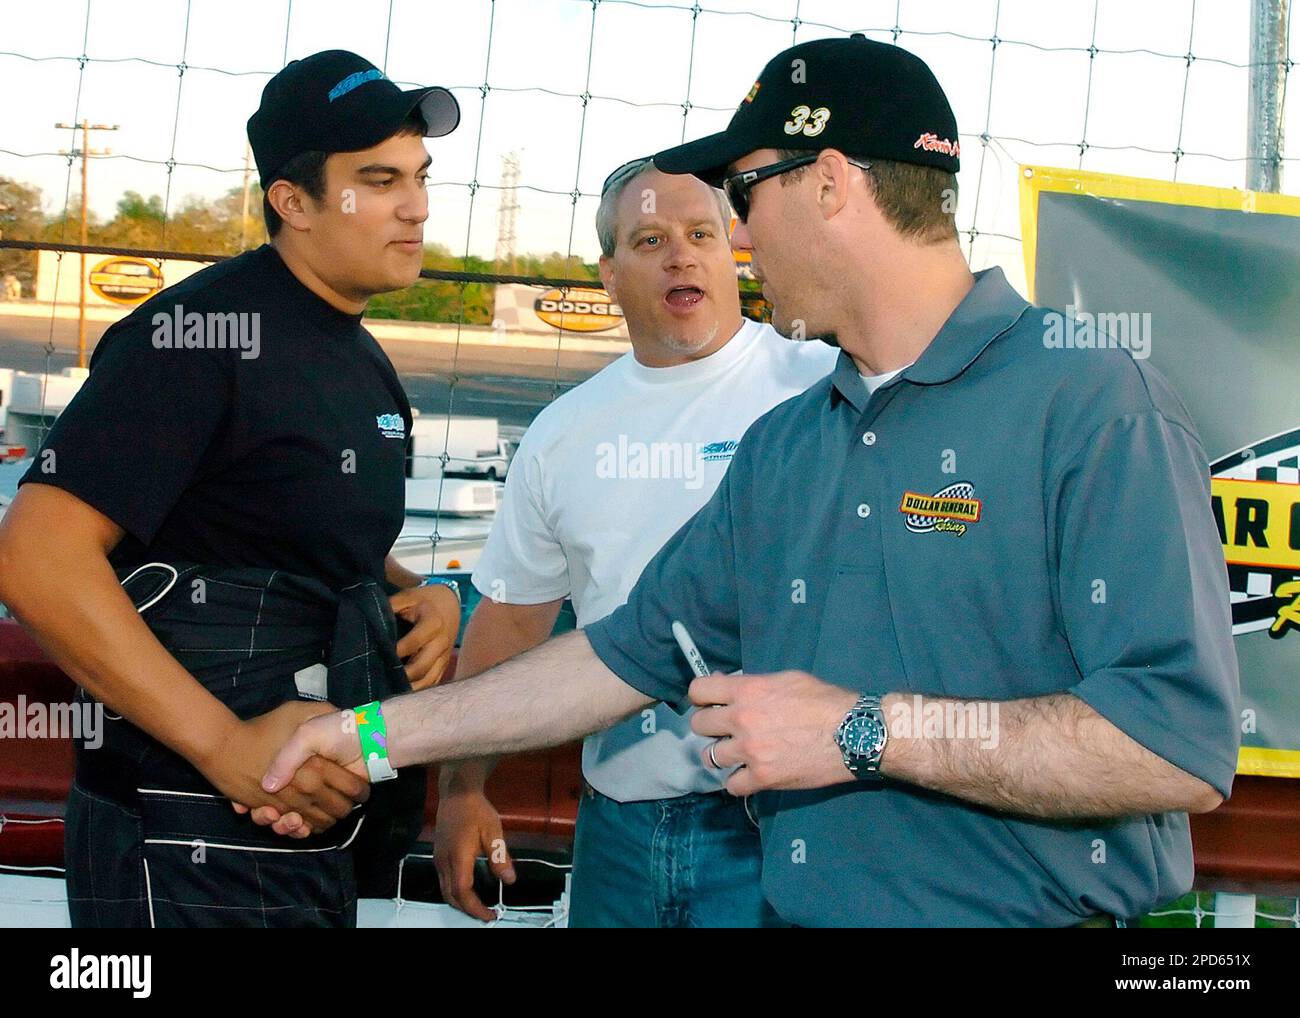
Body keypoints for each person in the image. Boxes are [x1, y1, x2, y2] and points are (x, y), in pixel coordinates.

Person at [261, 37, 1240, 927]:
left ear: (826, 185)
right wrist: (371, 734)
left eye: (741, 192)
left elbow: (1173, 748)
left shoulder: (1096, 406)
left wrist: (864, 732)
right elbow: (616, 658)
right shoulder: (790, 446)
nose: (733, 234)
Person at [0, 49, 462, 927]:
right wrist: (224, 747)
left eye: (419, 175)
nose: (416, 205)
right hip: (182, 839)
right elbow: (34, 557)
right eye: (377, 179)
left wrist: (425, 594)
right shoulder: (194, 336)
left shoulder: (357, 354)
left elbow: (289, 530)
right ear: (293, 202)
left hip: (308, 835)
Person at [433, 156, 835, 925]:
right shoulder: (562, 433)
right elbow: (513, 619)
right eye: (649, 241)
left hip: (782, 825)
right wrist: (462, 786)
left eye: (700, 234)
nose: (681, 254)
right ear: (608, 274)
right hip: (617, 827)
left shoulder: (820, 386)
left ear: (730, 251)